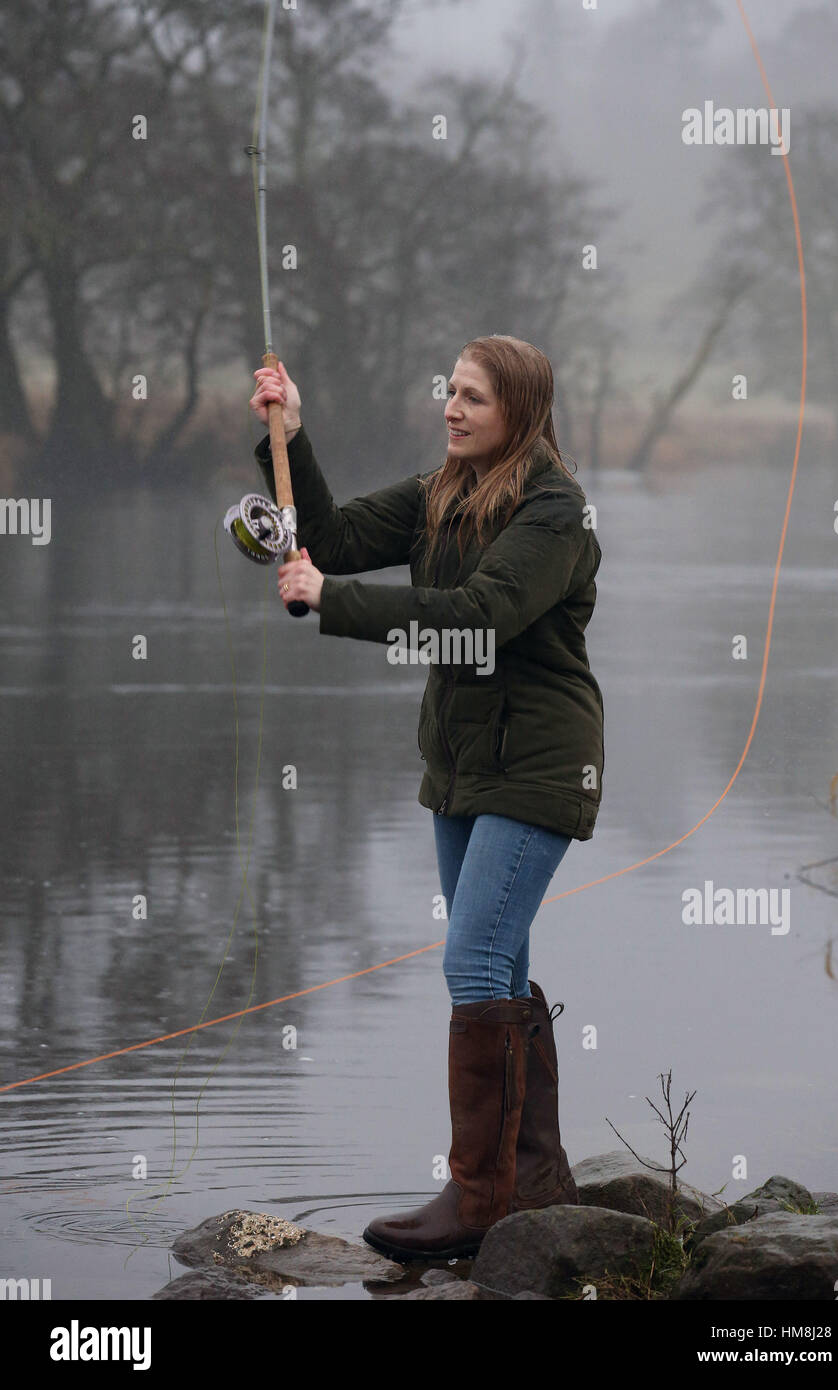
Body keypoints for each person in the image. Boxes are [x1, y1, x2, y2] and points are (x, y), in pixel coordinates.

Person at [248, 334, 604, 1261]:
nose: (452, 407)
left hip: (537, 763)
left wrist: (326, 600)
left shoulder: (555, 513)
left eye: (475, 398)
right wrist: (292, 430)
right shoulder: (440, 491)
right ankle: (533, 1179)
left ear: (517, 415)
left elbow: (479, 617)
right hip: (460, 764)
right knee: (502, 968)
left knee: (473, 963)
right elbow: (327, 534)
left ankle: (477, 1200)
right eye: (451, 390)